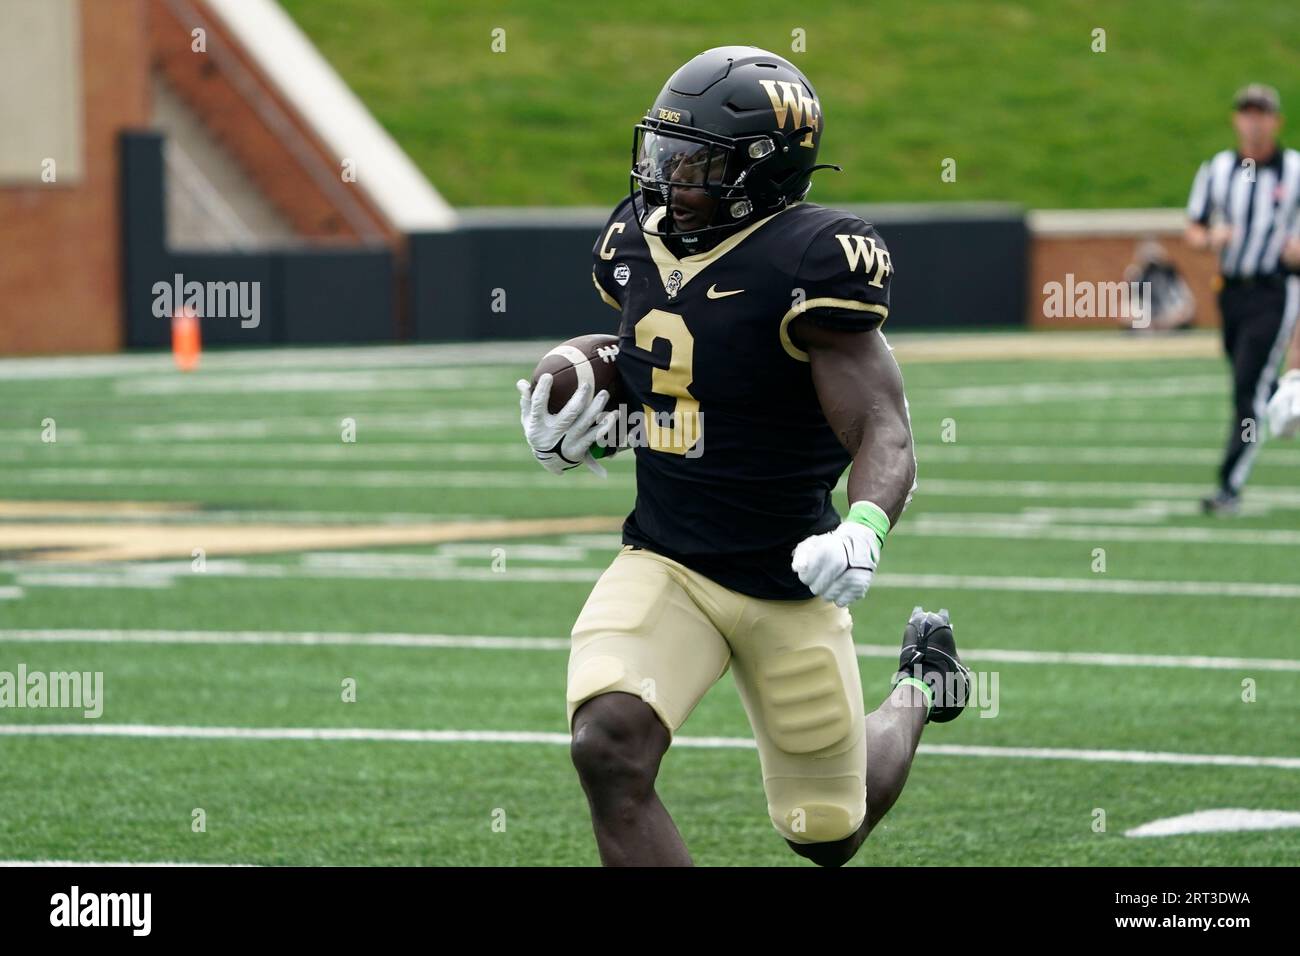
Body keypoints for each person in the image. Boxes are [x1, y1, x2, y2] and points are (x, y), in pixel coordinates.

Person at [515, 47, 969, 867]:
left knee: (828, 832)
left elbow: (885, 427)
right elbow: (657, 361)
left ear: (764, 172)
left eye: (696, 164)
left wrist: (863, 528)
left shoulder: (812, 260)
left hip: (786, 581)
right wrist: (587, 409)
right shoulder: (636, 238)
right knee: (606, 746)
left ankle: (920, 691)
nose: (669, 180)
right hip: (667, 560)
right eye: (665, 154)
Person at [1185, 84, 1300, 514]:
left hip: (1276, 289)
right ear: (1237, 119)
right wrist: (1209, 238)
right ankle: (1288, 401)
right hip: (1231, 293)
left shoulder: (1294, 170)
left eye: (1263, 112)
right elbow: (1192, 227)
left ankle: (1230, 484)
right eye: (1247, 112)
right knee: (1257, 386)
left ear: (1276, 121)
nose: (1254, 120)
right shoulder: (1217, 170)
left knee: (1246, 391)